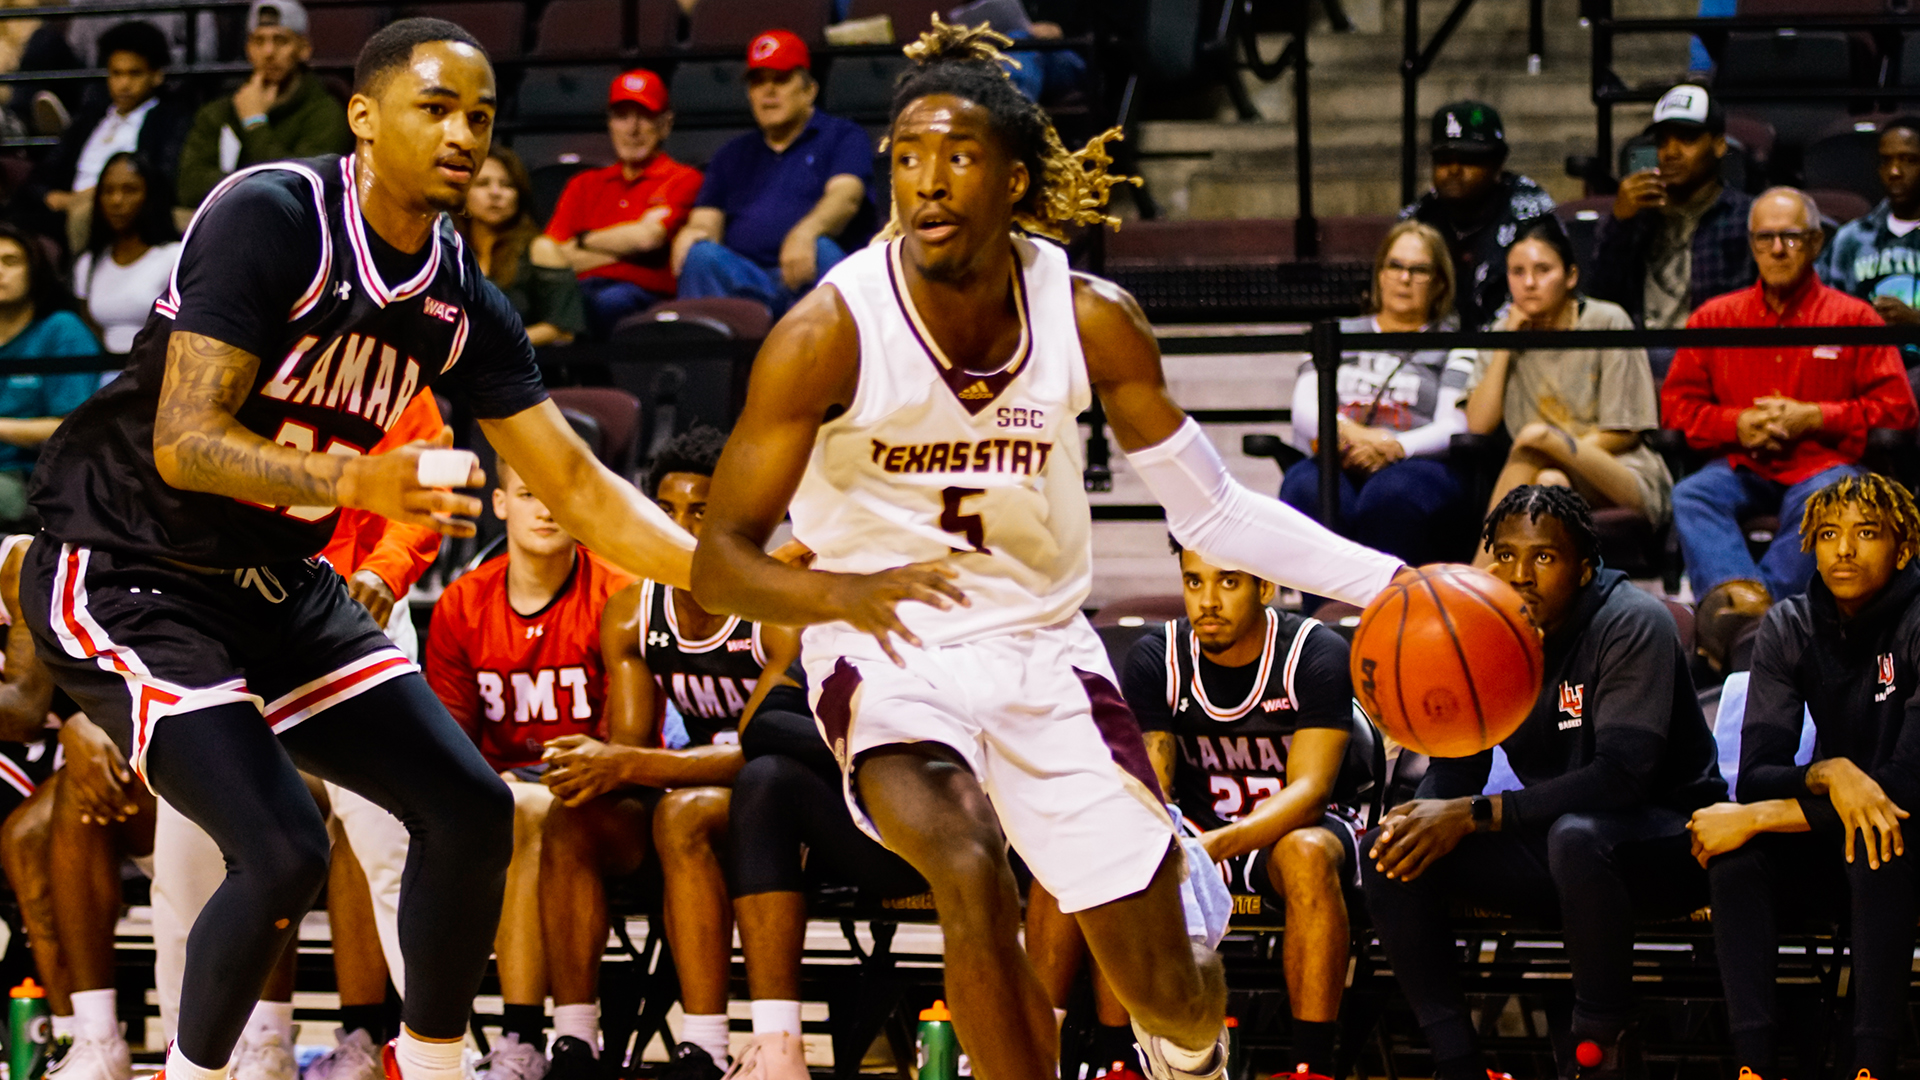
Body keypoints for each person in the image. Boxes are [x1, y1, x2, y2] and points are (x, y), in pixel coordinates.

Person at [689, 21, 1407, 1080]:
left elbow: (1212, 516)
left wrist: (1392, 581)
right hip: (888, 657)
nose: (927, 182)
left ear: (1017, 178)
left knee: (1175, 996)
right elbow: (718, 563)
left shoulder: (1090, 318)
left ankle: (1187, 1033)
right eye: (906, 158)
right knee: (967, 863)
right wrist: (845, 591)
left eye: (959, 156)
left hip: (1042, 651)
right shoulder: (827, 331)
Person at [15, 19, 699, 1080]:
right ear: (365, 118)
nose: (465, 132)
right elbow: (186, 443)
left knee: (468, 809)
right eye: (437, 107)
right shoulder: (272, 215)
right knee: (282, 847)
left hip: (278, 582)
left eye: (480, 114)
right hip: (129, 565)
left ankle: (429, 1067)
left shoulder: (461, 298)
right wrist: (353, 482)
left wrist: (741, 578)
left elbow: (574, 486)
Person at [1362, 486, 1724, 1080]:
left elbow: (1622, 777)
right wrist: (1425, 818)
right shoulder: (1484, 629)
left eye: (1544, 558)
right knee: (1388, 854)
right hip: (1559, 846)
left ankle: (1600, 1047)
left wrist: (1474, 815)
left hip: (1669, 843)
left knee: (1578, 837)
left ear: (1584, 569)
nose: (1519, 575)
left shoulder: (1633, 621)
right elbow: (1458, 763)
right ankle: (1457, 1061)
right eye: (1504, 556)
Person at [538, 426, 801, 1080]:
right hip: (684, 805)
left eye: (702, 511)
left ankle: (704, 1047)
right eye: (668, 510)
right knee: (572, 815)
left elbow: (756, 751)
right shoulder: (632, 612)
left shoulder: (776, 609)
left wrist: (624, 764)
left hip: (785, 804)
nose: (682, 526)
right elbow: (629, 742)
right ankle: (571, 1043)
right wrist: (593, 764)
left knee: (683, 812)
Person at [1687, 473, 1920, 1080]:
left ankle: (1870, 1065)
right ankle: (1754, 1066)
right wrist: (1828, 773)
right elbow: (1761, 774)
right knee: (1740, 862)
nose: (1843, 549)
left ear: (1903, 548)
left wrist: (1760, 815)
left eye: (1866, 533)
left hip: (1909, 834)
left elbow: (1908, 786)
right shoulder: (1788, 625)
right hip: (1839, 828)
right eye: (1828, 533)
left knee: (1879, 843)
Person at [425, 451, 640, 1080]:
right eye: (526, 494)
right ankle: (376, 1033)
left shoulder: (618, 593)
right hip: (502, 795)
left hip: (600, 795)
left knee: (517, 809)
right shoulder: (462, 604)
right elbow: (454, 744)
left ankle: (519, 1037)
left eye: (557, 495)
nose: (545, 509)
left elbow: (622, 740)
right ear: (498, 503)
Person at [1124, 539, 1367, 1080]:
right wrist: (1169, 842)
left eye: (1227, 582)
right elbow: (1153, 792)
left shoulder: (1313, 651)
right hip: (1196, 823)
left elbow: (1309, 792)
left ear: (1265, 586)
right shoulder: (1155, 658)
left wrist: (1212, 848)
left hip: (1294, 828)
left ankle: (1310, 1067)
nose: (1207, 600)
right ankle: (1119, 1059)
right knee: (1121, 845)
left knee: (1305, 852)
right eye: (1194, 582)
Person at [1664, 187, 1918, 618]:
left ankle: (1751, 620)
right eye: (1765, 238)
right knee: (1692, 495)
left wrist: (1817, 417)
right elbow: (1676, 407)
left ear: (1816, 244)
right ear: (1752, 245)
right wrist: (1735, 424)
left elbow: (1898, 409)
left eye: (1792, 238)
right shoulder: (1714, 318)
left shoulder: (1854, 318)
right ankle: (1752, 609)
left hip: (1824, 464)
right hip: (1741, 464)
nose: (1777, 250)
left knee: (1828, 496)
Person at [1280, 220, 1474, 571]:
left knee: (1390, 497)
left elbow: (1453, 423)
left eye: (1419, 270)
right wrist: (1355, 436)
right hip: (1341, 452)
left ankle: (1395, 613)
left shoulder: (1454, 344)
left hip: (1416, 461)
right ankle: (1322, 617)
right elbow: (1304, 408)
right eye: (1395, 266)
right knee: (1306, 489)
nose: (1404, 278)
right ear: (1380, 273)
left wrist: (1396, 447)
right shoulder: (1335, 333)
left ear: (1439, 282)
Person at [1465, 217, 1672, 526]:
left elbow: (1624, 433)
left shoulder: (1606, 321)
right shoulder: (1502, 330)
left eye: (1543, 270)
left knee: (1534, 440)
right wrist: (1505, 345)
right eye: (1517, 272)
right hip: (1542, 472)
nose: (1529, 283)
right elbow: (1478, 425)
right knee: (1547, 481)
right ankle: (1496, 572)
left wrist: (1548, 445)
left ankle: (1477, 573)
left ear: (1571, 276)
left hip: (1621, 470)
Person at [670, 29, 874, 317]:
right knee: (700, 255)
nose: (769, 92)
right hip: (746, 278)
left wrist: (806, 233)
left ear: (809, 90)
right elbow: (706, 221)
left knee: (822, 248)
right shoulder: (731, 154)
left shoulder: (842, 136)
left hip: (811, 275)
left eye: (780, 80)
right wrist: (694, 233)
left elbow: (846, 197)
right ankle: (710, 360)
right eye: (758, 82)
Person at [542, 69, 701, 339]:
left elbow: (647, 240)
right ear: (610, 123)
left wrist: (581, 241)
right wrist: (625, 247)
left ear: (665, 124)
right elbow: (551, 259)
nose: (632, 128)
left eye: (645, 116)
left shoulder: (683, 179)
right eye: (622, 116)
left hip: (641, 298)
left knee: (602, 304)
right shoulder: (583, 184)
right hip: (580, 291)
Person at [1588, 84, 1755, 340]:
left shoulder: (1746, 217)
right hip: (1640, 354)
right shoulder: (1637, 214)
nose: (1671, 152)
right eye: (1662, 141)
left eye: (1687, 138)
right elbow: (1599, 299)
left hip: (1712, 355)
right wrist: (1620, 222)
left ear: (1719, 145)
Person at [175, 0, 351, 214]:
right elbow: (189, 186)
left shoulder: (325, 113)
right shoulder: (219, 112)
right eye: (259, 41)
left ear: (304, 49)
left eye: (281, 40)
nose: (268, 52)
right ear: (248, 49)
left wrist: (255, 123)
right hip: (225, 225)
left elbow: (303, 187)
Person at [33, 20, 191, 256]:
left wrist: (97, 196)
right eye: (116, 74)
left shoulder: (169, 121)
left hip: (124, 212)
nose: (124, 84)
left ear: (156, 76)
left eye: (134, 73)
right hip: (65, 211)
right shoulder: (90, 119)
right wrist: (51, 195)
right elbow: (46, 173)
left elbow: (161, 178)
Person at [1398, 100, 1554, 330]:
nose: (1453, 170)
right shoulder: (1419, 217)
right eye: (1443, 160)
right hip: (1434, 352)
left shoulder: (1531, 214)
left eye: (1468, 159)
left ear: (1498, 162)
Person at [0, 222, 107, 533]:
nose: (0, 272)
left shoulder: (62, 330)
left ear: (34, 270)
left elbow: (75, 428)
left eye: (10, 261)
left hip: (32, 476)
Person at [1817, 115, 1920, 374]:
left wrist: (1915, 322)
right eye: (1887, 161)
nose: (1895, 172)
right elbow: (1818, 312)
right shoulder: (1850, 239)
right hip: (1862, 372)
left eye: (1909, 160)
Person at [465, 147, 586, 347]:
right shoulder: (448, 251)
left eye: (507, 185)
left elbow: (563, 330)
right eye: (482, 184)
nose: (495, 193)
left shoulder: (540, 249)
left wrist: (495, 345)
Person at [73, 151, 181, 361]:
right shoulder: (87, 264)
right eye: (108, 191)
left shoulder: (174, 257)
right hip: (104, 375)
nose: (116, 200)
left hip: (161, 369)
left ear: (151, 195)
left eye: (129, 190)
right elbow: (89, 331)